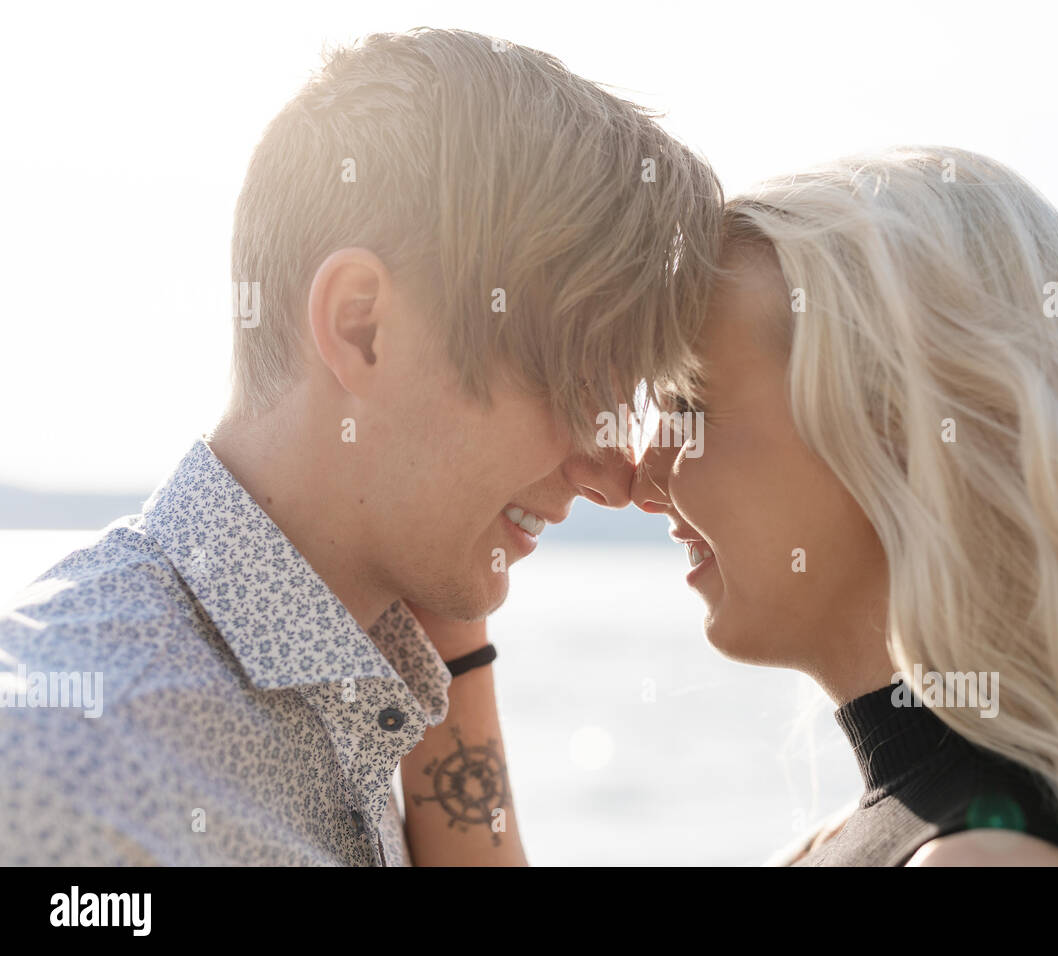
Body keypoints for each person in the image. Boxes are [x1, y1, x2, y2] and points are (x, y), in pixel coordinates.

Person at [0, 28, 722, 865]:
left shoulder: (359, 675)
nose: (615, 478)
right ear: (361, 326)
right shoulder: (66, 781)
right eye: (577, 387)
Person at [631, 146, 1058, 866]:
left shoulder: (977, 854)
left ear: (903, 430)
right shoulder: (862, 837)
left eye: (690, 404)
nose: (643, 474)